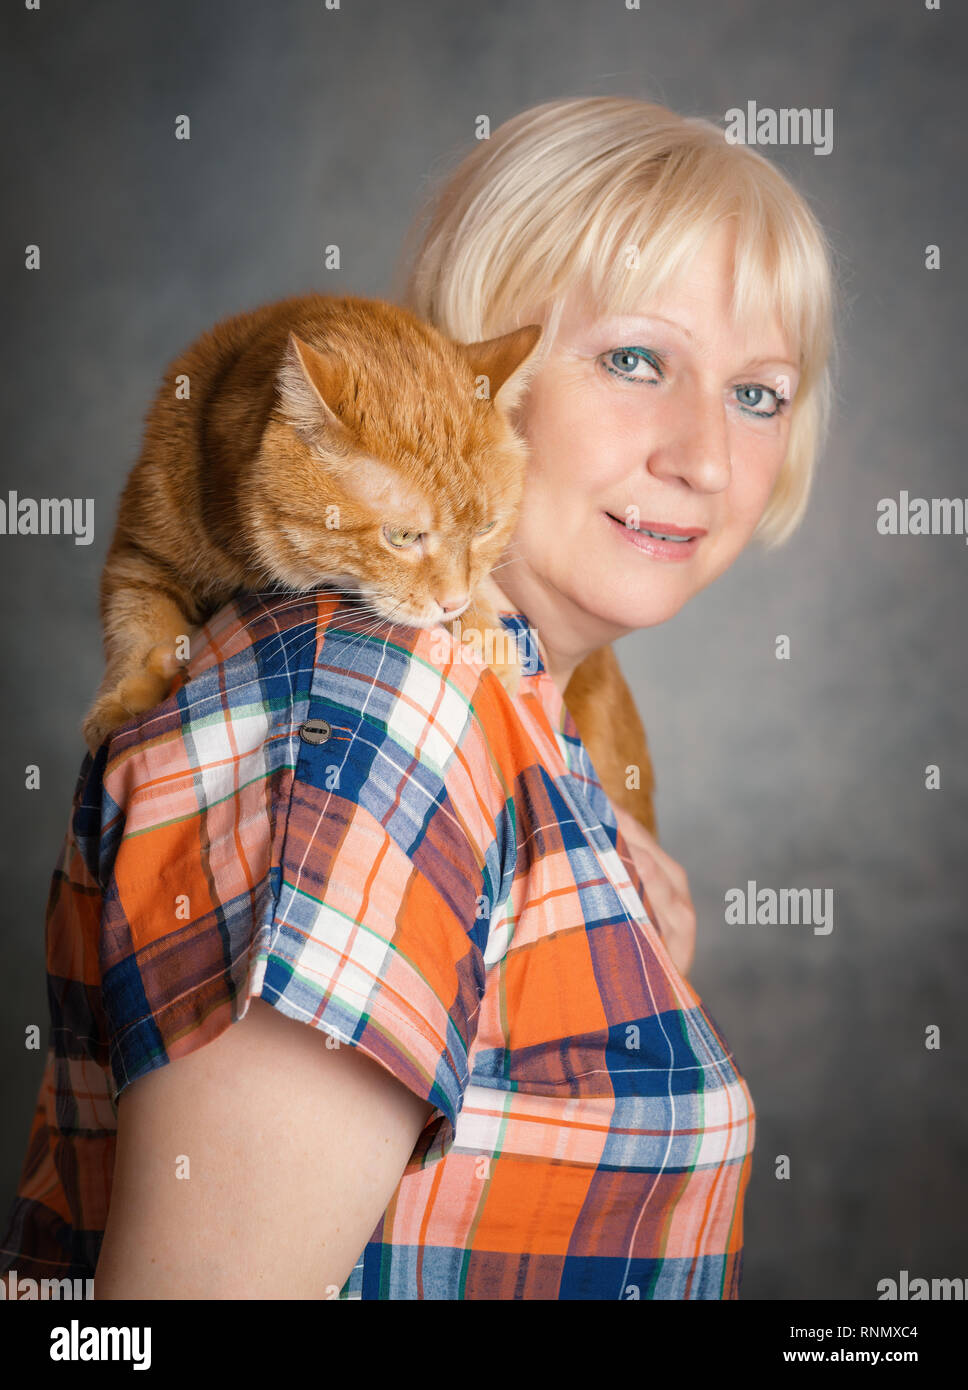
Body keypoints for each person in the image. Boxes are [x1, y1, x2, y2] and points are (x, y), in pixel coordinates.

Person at [0, 95, 834, 1300]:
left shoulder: (515, 710)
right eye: (634, 358)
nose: (703, 455)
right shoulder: (379, 710)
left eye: (759, 393)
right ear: (473, 371)